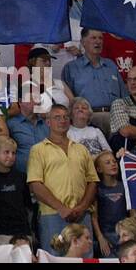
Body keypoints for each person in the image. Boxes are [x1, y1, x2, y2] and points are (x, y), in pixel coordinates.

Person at [28, 103, 99, 253]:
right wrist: (61, 208)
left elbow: (92, 181)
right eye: (57, 117)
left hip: (82, 214)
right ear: (48, 122)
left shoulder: (81, 149)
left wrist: (82, 207)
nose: (62, 121)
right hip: (53, 214)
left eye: (66, 117)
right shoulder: (38, 150)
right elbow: (35, 184)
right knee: (55, 257)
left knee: (85, 257)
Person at [61, 30, 124, 119]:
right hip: (87, 119)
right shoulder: (71, 68)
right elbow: (66, 99)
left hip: (115, 118)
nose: (98, 41)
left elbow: (124, 94)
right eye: (93, 38)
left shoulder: (111, 65)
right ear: (83, 42)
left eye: (100, 38)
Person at [0, 134, 33, 245]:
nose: (11, 156)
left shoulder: (21, 177)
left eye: (13, 153)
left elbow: (27, 205)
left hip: (22, 232)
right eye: (6, 152)